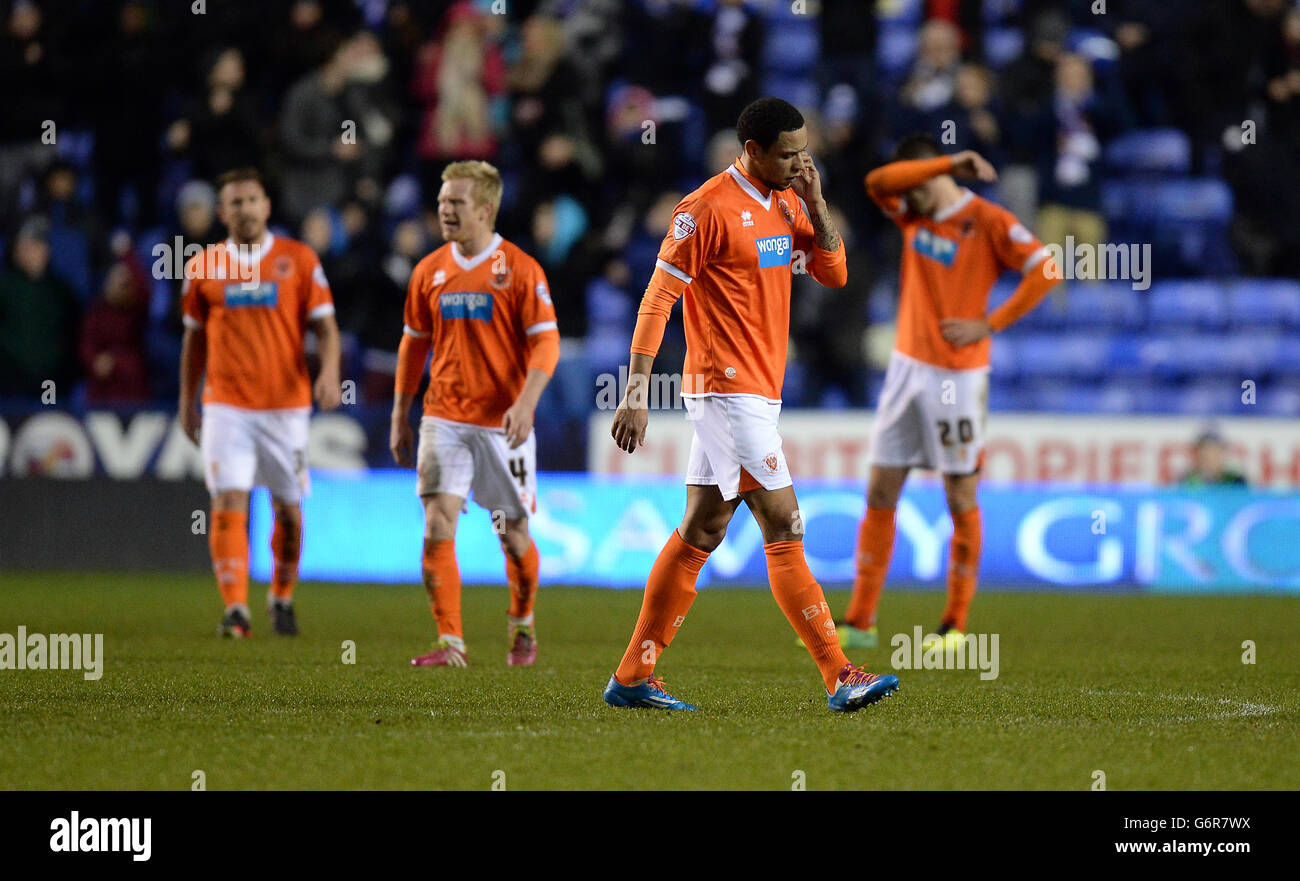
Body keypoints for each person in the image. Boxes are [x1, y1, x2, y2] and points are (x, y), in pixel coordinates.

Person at [603, 97, 899, 713]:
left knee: (702, 529)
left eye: (804, 151)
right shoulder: (704, 209)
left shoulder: (791, 201)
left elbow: (835, 274)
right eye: (787, 153)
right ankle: (840, 674)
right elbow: (658, 299)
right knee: (784, 525)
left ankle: (633, 674)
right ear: (752, 152)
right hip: (725, 387)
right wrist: (635, 389)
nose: (799, 162)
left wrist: (816, 205)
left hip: (759, 390)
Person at [839, 134, 1061, 652]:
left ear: (937, 180)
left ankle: (955, 626)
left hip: (957, 379)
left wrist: (990, 323)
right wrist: (942, 163)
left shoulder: (987, 220)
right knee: (879, 491)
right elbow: (876, 183)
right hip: (905, 370)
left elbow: (1048, 268)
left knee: (959, 494)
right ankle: (861, 620)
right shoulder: (913, 211)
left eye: (915, 184)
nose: (903, 198)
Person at [390, 160, 559, 668]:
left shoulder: (520, 269)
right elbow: (413, 346)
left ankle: (523, 621)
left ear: (485, 209)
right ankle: (451, 643)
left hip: (502, 424)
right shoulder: (429, 271)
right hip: (444, 417)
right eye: (442, 202)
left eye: (455, 203)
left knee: (511, 534)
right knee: (438, 521)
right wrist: (401, 412)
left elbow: (546, 343)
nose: (444, 210)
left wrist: (526, 403)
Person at [178, 167, 342, 638]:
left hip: (286, 407)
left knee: (288, 509)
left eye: (252, 199)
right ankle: (236, 610)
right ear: (221, 212)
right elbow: (194, 342)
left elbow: (326, 327)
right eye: (235, 202)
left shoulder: (299, 259)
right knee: (229, 497)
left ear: (267, 206)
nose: (245, 209)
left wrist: (329, 373)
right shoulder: (203, 266)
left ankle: (281, 596)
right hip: (225, 405)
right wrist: (187, 400)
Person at [1179, 429, 1248, 487]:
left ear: (1222, 454)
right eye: (1205, 456)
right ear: (1198, 456)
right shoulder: (1188, 480)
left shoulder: (1235, 480)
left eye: (1214, 454)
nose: (1210, 461)